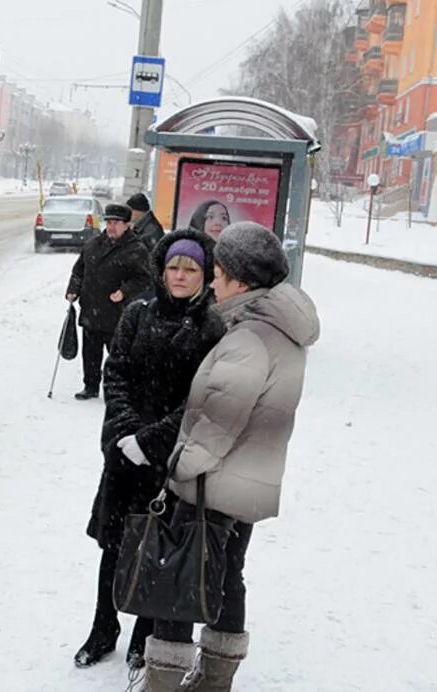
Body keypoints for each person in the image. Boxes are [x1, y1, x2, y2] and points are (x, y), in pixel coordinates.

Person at [144, 222, 320, 692]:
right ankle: (214, 679)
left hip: (213, 484)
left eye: (219, 273)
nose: (213, 282)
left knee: (180, 581)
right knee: (224, 578)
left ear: (242, 280)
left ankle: (162, 681)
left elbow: (220, 420)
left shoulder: (250, 337)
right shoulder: (276, 328)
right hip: (246, 481)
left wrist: (179, 465)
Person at [76, 229, 225, 671]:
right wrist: (125, 432)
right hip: (124, 455)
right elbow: (116, 372)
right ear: (162, 269)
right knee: (114, 545)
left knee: (159, 548)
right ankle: (104, 627)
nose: (180, 275)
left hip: (172, 459)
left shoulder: (212, 326)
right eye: (174, 267)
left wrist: (152, 441)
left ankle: (145, 633)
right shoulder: (138, 313)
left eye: (191, 268)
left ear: (205, 274)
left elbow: (202, 399)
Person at [65, 203, 150, 400]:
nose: (111, 227)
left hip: (117, 313)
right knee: (90, 353)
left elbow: (144, 278)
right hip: (91, 309)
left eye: (116, 223)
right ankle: (90, 386)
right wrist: (73, 289)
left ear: (127, 225)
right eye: (109, 222)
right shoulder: (94, 244)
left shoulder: (136, 249)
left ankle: (117, 390)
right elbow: (79, 270)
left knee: (117, 356)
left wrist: (124, 291)